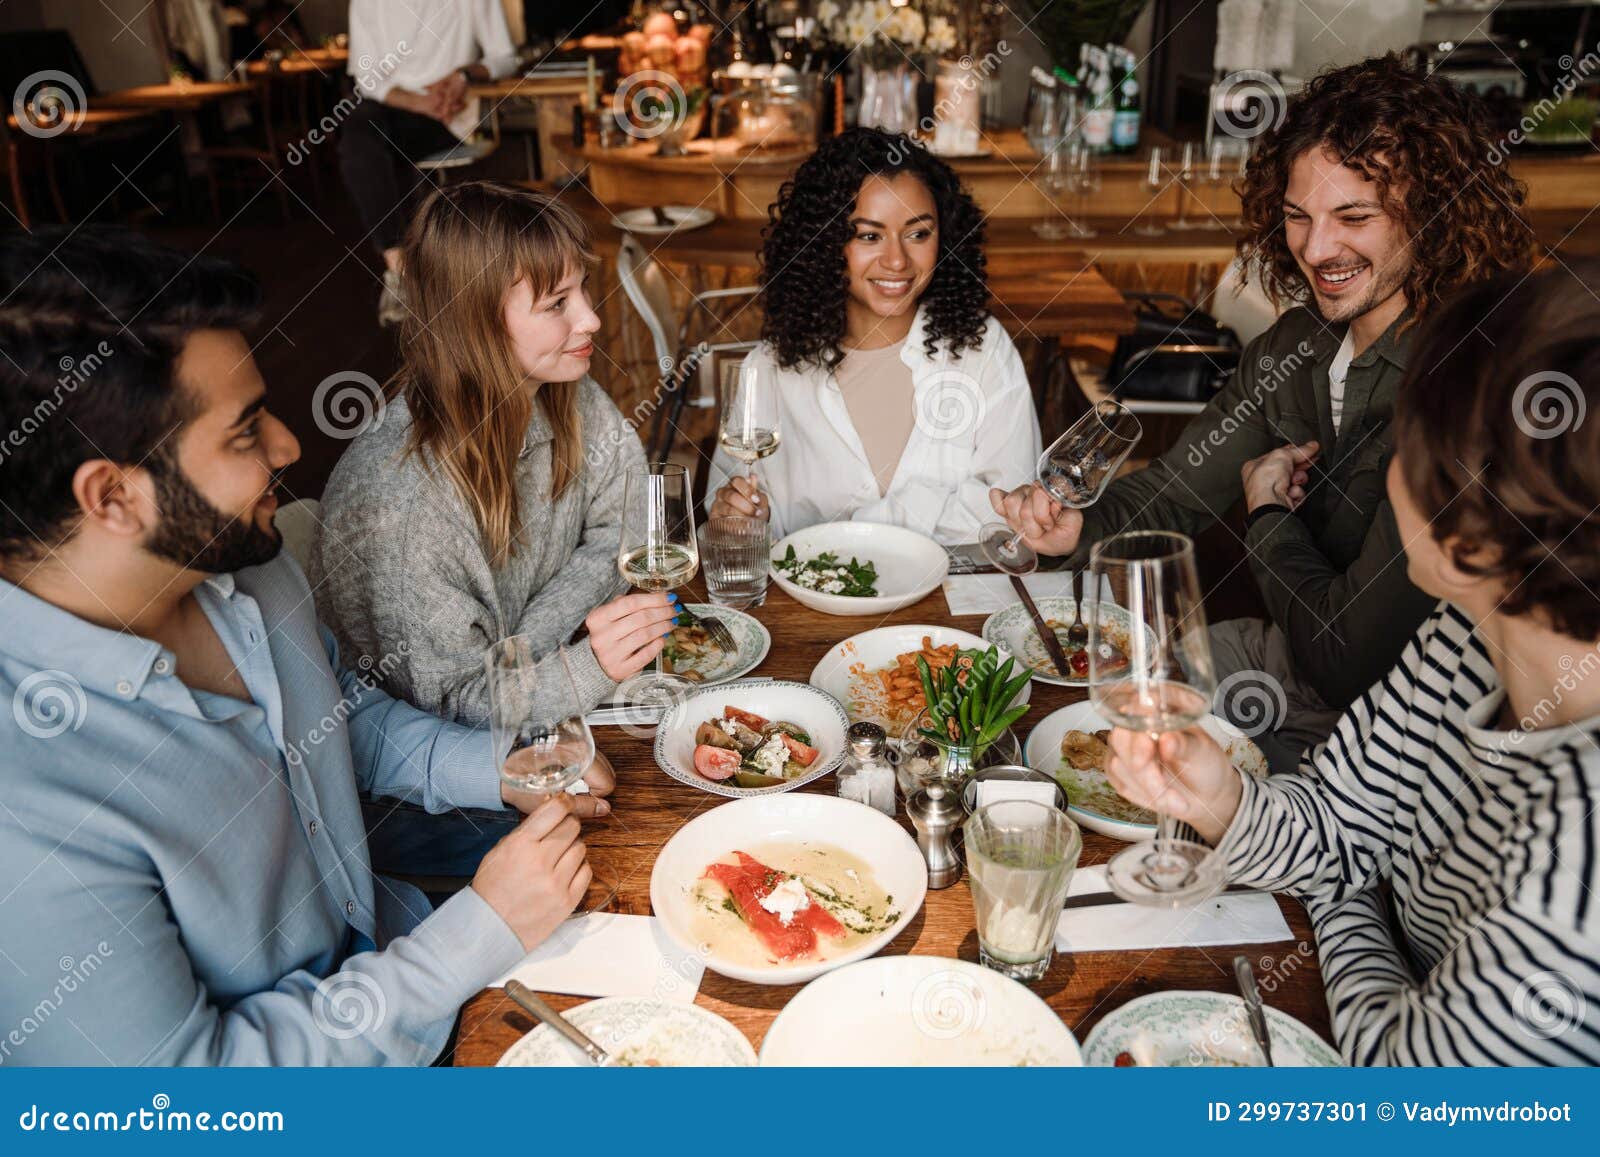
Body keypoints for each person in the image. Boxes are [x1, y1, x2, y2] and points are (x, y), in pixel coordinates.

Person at [0, 227, 606, 1065]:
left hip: (414, 949)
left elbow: (334, 715)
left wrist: (498, 764)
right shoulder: (23, 810)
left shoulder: (250, 569)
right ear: (112, 496)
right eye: (246, 431)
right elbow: (172, 1105)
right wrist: (474, 936)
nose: (289, 448)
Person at [1105, 257, 1600, 1065]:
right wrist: (1228, 800)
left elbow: (1409, 1096)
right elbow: (1339, 821)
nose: (1385, 474)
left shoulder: (1579, 866)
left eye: (1405, 447)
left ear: (1466, 542)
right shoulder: (1464, 635)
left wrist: (1346, 892)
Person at [989, 54, 1534, 771]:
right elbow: (1177, 491)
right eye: (1297, 216)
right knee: (1036, 728)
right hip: (1277, 663)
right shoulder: (1299, 343)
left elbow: (1346, 658)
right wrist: (1079, 527)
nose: (1315, 248)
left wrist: (1267, 516)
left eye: (1354, 217)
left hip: (1400, 747)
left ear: (1432, 214)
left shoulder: (1460, 388)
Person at [312, 181, 672, 736]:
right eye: (557, 304)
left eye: (581, 291)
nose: (591, 320)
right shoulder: (406, 505)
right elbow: (457, 705)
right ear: (474, 321)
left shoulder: (564, 390)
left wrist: (527, 641)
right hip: (439, 787)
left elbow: (627, 524)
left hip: (546, 712)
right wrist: (588, 664)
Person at [706, 127, 1041, 546]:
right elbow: (733, 522)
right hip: (813, 608)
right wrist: (738, 520)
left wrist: (848, 533)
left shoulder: (983, 349)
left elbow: (1012, 508)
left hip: (951, 606)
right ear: (826, 244)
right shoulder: (769, 369)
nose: (897, 260)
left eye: (918, 234)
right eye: (869, 235)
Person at [341, 0, 518, 324]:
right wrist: (416, 101)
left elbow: (505, 57)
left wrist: (464, 75)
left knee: (388, 154)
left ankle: (436, 282)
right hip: (396, 107)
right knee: (359, 129)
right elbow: (367, 78)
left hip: (452, 115)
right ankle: (399, 268)